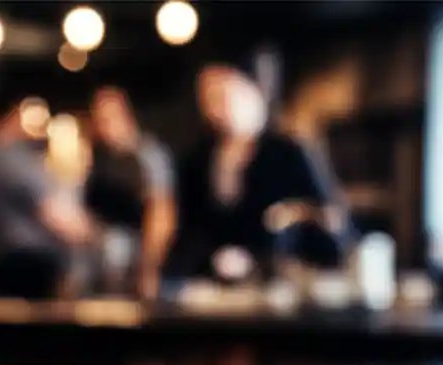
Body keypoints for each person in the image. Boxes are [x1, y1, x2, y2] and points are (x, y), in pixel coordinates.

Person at [168, 64, 350, 287]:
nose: (215, 109)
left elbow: (330, 219)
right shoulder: (197, 160)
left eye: (221, 96)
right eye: (206, 99)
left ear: (251, 94)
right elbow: (189, 230)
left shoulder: (288, 151)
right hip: (216, 287)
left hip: (288, 283)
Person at [0, 99, 93, 299]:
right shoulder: (10, 157)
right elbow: (60, 219)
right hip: (24, 268)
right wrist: (98, 237)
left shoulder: (4, 157)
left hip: (16, 265)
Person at [84, 87, 176, 299]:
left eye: (109, 117)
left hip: (137, 266)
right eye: (99, 119)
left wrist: (148, 268)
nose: (104, 125)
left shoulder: (147, 156)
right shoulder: (98, 158)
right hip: (104, 271)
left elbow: (161, 212)